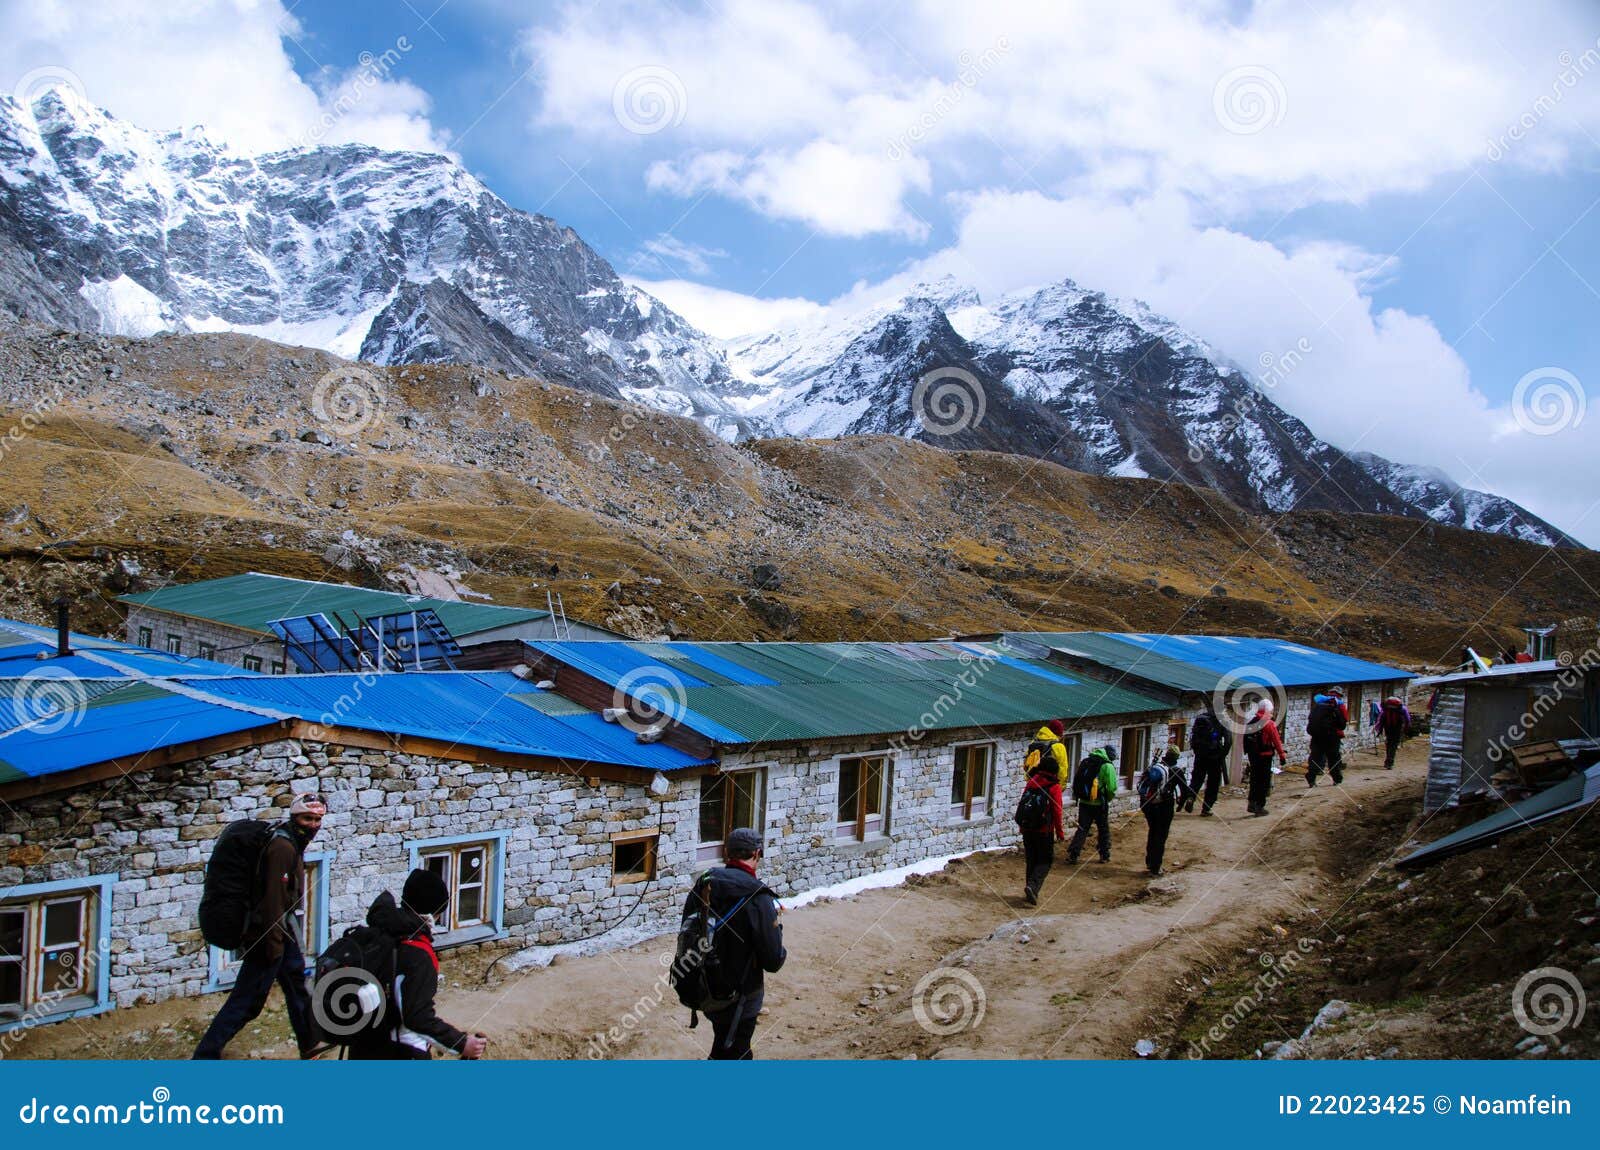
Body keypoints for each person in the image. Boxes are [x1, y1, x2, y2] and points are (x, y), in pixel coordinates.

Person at [193, 794, 327, 1059]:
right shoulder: (283, 848)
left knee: (296, 983)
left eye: (317, 819)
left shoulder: (291, 841)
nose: (312, 825)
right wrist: (272, 947)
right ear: (294, 817)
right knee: (248, 1001)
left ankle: (310, 1044)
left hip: (279, 932)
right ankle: (206, 1054)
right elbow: (271, 903)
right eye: (307, 818)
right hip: (266, 935)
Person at [348, 870, 487, 1060]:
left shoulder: (378, 933)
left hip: (362, 1047)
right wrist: (462, 1044)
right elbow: (416, 1018)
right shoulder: (418, 954)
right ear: (435, 913)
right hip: (400, 1053)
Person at [693, 827, 786, 1059]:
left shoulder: (705, 883)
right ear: (756, 854)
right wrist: (776, 927)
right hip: (741, 993)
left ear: (727, 852)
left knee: (726, 1043)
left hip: (705, 985)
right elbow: (774, 960)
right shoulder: (758, 897)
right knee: (735, 1050)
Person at [1018, 749, 1065, 905]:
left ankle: (1030, 889)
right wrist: (1060, 832)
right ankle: (1033, 886)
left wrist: (1021, 826)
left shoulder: (1032, 781)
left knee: (1031, 859)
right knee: (1045, 860)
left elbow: (1023, 804)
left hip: (1027, 828)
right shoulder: (1054, 787)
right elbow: (1057, 810)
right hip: (1044, 830)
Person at [1139, 747, 1194, 876]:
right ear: (1176, 758)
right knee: (1161, 836)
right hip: (1165, 806)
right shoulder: (1176, 771)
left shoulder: (1155, 766)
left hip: (1149, 806)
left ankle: (1149, 862)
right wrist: (1180, 806)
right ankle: (1156, 867)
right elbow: (1185, 791)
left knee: (1153, 832)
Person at [1066, 746, 1118, 864]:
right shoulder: (1107, 766)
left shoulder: (1086, 761)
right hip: (1099, 803)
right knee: (1103, 828)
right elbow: (1111, 787)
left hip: (1084, 802)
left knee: (1082, 828)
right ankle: (1104, 854)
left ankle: (1073, 854)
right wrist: (1107, 799)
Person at [1185, 706, 1233, 816]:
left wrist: (1197, 751)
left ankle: (1191, 797)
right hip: (1215, 757)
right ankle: (1206, 808)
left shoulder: (1201, 718)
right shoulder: (1222, 721)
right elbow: (1229, 740)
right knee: (1213, 782)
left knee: (1197, 778)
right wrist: (1222, 754)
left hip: (1200, 755)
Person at [1243, 700, 1287, 816]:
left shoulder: (1251, 722)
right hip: (1265, 755)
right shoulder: (1269, 723)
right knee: (1263, 781)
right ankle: (1259, 806)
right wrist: (1282, 755)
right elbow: (1276, 740)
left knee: (1254, 779)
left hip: (1253, 756)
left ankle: (1251, 803)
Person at [1305, 686, 1349, 786]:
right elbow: (1342, 724)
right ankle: (1337, 779)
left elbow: (1311, 719)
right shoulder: (1339, 705)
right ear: (1340, 695)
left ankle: (1311, 779)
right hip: (1332, 737)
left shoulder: (1319, 704)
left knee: (1315, 757)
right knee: (1333, 758)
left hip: (1317, 737)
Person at [1376, 694, 1411, 770]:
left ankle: (1388, 759)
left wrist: (1379, 728)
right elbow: (1407, 718)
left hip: (1388, 727)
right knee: (1394, 745)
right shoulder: (1402, 708)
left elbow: (1381, 718)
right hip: (1397, 728)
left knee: (1389, 743)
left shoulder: (1386, 709)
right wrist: (1407, 727)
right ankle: (1390, 762)